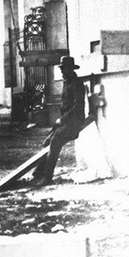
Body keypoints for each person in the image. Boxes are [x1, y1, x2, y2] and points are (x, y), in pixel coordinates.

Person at [33, 56, 86, 185]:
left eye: (64, 69)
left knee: (55, 140)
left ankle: (47, 177)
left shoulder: (77, 83)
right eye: (61, 69)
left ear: (71, 69)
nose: (62, 71)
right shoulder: (66, 82)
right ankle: (38, 174)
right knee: (47, 142)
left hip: (75, 121)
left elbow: (78, 106)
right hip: (65, 122)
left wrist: (62, 119)